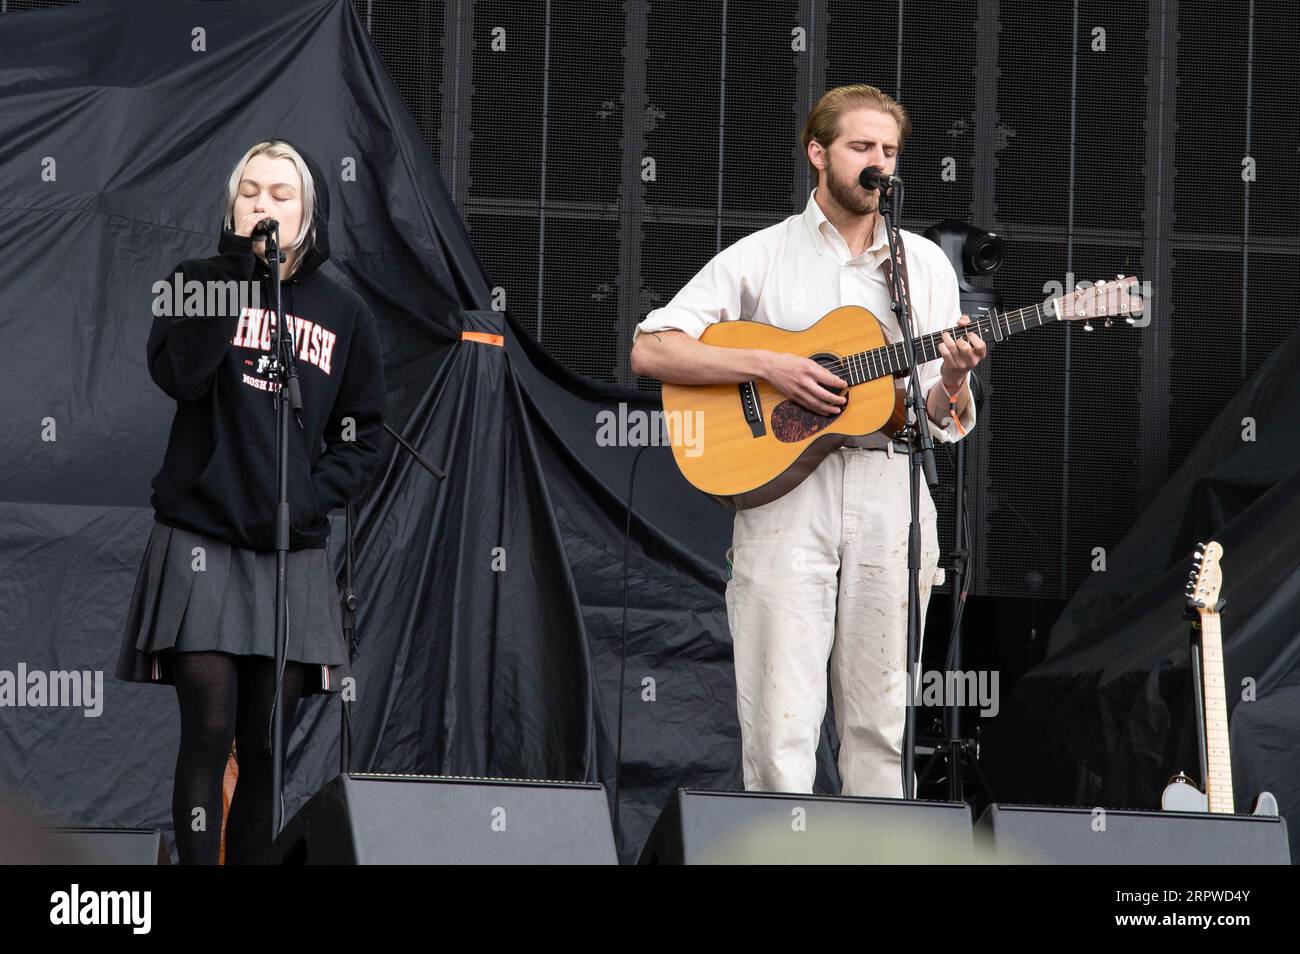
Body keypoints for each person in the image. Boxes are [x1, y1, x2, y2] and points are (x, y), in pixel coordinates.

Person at [629, 86, 987, 797]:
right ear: (817, 153)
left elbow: (932, 419)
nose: (878, 164)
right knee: (781, 728)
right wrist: (769, 364)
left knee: (884, 728)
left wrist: (952, 379)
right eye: (861, 148)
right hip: (789, 500)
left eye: (889, 151)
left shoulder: (924, 267)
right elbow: (653, 348)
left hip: (892, 491)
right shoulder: (762, 257)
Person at [115, 139, 386, 863]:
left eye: (281, 195)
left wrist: (307, 500)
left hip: (285, 549)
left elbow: (365, 436)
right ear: (233, 207)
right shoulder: (195, 281)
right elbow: (180, 375)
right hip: (200, 537)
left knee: (267, 745)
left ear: (307, 214)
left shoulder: (344, 312)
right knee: (207, 731)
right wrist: (235, 274)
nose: (265, 205)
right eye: (252, 192)